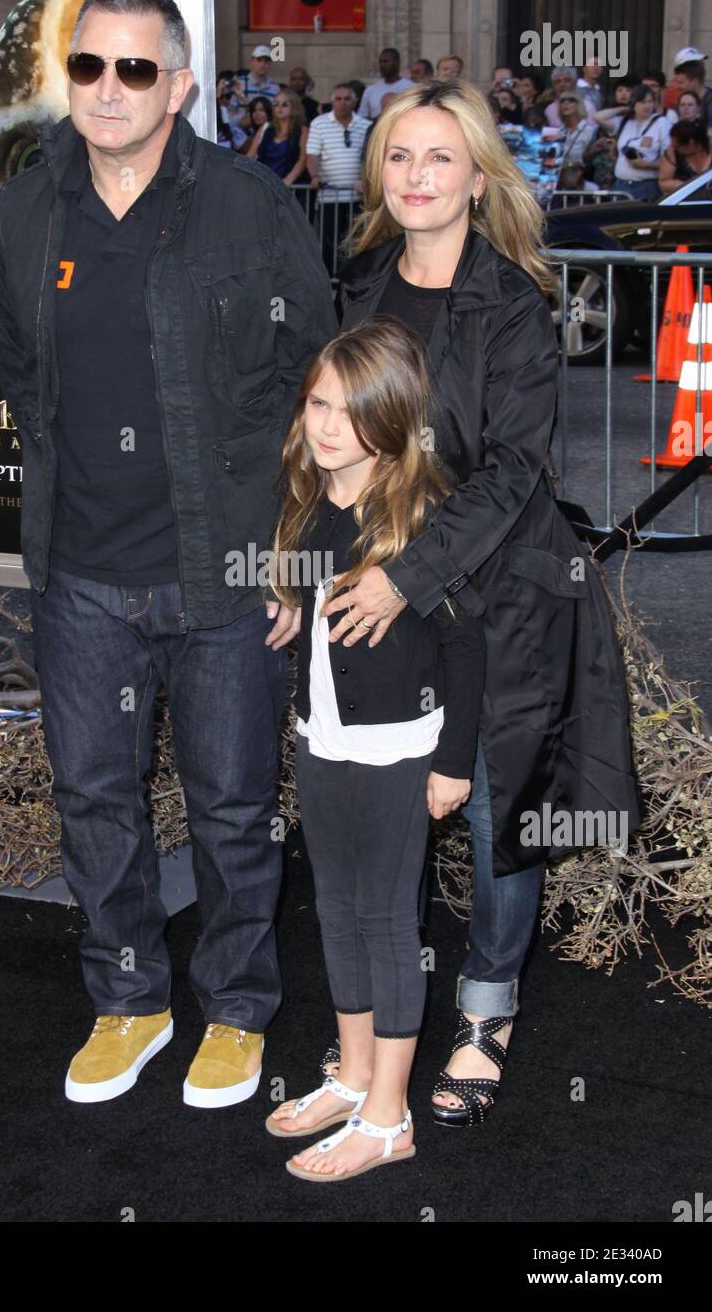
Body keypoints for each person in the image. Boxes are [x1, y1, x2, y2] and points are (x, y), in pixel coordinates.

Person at [0, 0, 338, 1110]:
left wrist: (293, 550)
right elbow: (25, 381)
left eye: (135, 70)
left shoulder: (248, 208)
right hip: (79, 573)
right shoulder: (26, 211)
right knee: (93, 795)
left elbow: (314, 393)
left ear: (180, 86)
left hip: (222, 571)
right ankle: (130, 1000)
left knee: (233, 802)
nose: (106, 90)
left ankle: (234, 1009)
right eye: (88, 67)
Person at [267, 78, 640, 1125]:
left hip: (499, 595)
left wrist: (409, 574)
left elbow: (512, 470)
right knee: (386, 810)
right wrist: (300, 576)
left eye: (440, 158)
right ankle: (374, 1024)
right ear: (377, 174)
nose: (417, 176)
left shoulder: (513, 304)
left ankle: (485, 1008)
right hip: (385, 594)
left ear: (477, 176)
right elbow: (328, 447)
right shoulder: (365, 290)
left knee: (486, 808)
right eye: (398, 156)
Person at [263, 317, 486, 1180]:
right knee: (337, 909)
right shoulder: (305, 500)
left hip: (403, 749)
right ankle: (354, 1074)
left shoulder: (428, 516)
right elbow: (300, 596)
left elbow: (469, 648)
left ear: (392, 420)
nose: (325, 426)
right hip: (323, 740)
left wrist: (454, 762)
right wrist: (282, 605)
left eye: (349, 414)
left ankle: (391, 1116)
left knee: (390, 923)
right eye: (318, 403)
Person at [305, 83, 371, 276]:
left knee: (357, 243)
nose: (342, 103)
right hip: (329, 196)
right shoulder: (319, 123)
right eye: (338, 99)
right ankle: (329, 284)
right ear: (332, 101)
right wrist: (315, 176)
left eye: (347, 99)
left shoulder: (365, 125)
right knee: (329, 244)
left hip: (357, 198)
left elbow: (369, 158)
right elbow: (312, 155)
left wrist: (364, 179)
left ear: (355, 101)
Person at [594, 83, 669, 199]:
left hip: (646, 185)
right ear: (634, 103)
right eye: (642, 102)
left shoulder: (662, 123)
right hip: (621, 185)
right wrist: (624, 108)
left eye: (650, 102)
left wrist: (646, 165)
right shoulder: (624, 122)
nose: (647, 106)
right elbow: (598, 117)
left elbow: (668, 160)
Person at [247, 85, 309, 186]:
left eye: (285, 104)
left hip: (290, 187)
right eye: (276, 104)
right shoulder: (266, 128)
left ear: (294, 107)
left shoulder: (302, 130)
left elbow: (303, 159)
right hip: (265, 185)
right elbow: (251, 156)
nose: (279, 107)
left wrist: (287, 180)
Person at [358, 47, 415, 121]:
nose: (382, 65)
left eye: (386, 61)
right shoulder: (370, 90)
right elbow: (362, 117)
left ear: (397, 63)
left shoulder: (411, 88)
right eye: (380, 62)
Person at [658, 118, 712, 195]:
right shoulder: (672, 152)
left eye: (677, 146)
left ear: (691, 143)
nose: (673, 147)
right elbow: (663, 183)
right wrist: (689, 186)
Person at [671, 47, 712, 127]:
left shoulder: (709, 103)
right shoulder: (679, 103)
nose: (678, 87)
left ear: (694, 81)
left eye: (681, 83)